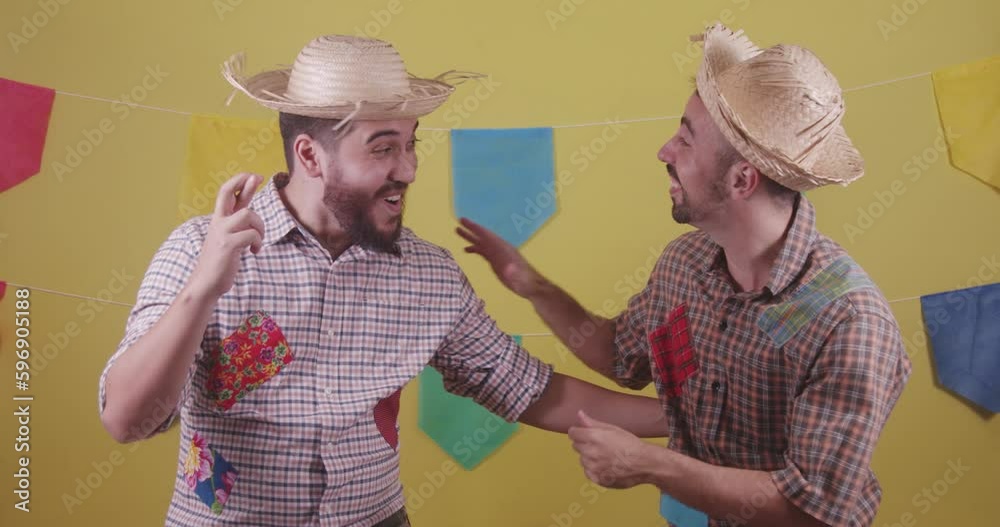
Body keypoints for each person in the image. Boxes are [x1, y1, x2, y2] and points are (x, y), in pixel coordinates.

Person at [98, 35, 668, 527]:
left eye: (410, 142)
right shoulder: (200, 248)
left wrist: (680, 420)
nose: (410, 169)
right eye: (383, 148)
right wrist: (202, 292)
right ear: (310, 156)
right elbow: (127, 422)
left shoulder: (430, 276)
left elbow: (530, 391)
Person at [457, 24, 911, 527]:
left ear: (742, 180)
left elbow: (814, 513)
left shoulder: (849, 322)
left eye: (686, 141)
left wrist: (652, 464)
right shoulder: (685, 263)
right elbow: (622, 358)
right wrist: (533, 286)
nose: (664, 152)